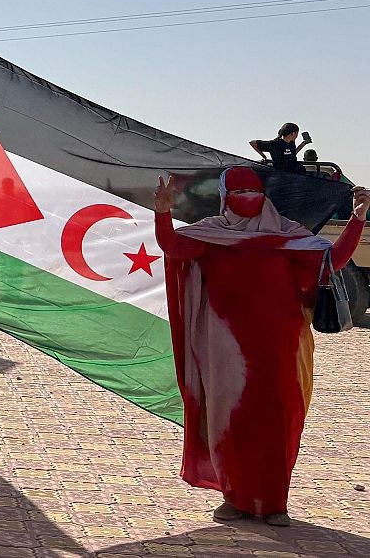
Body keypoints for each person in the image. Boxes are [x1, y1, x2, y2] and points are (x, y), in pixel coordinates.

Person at [154, 168, 367, 526]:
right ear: (224, 196)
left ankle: (274, 503)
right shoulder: (211, 234)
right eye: (238, 190)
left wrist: (358, 219)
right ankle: (235, 497)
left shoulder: (287, 234)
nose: (246, 196)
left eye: (252, 189)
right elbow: (173, 247)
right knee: (229, 420)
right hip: (224, 348)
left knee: (277, 421)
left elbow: (332, 260)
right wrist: (162, 213)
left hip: (280, 347)